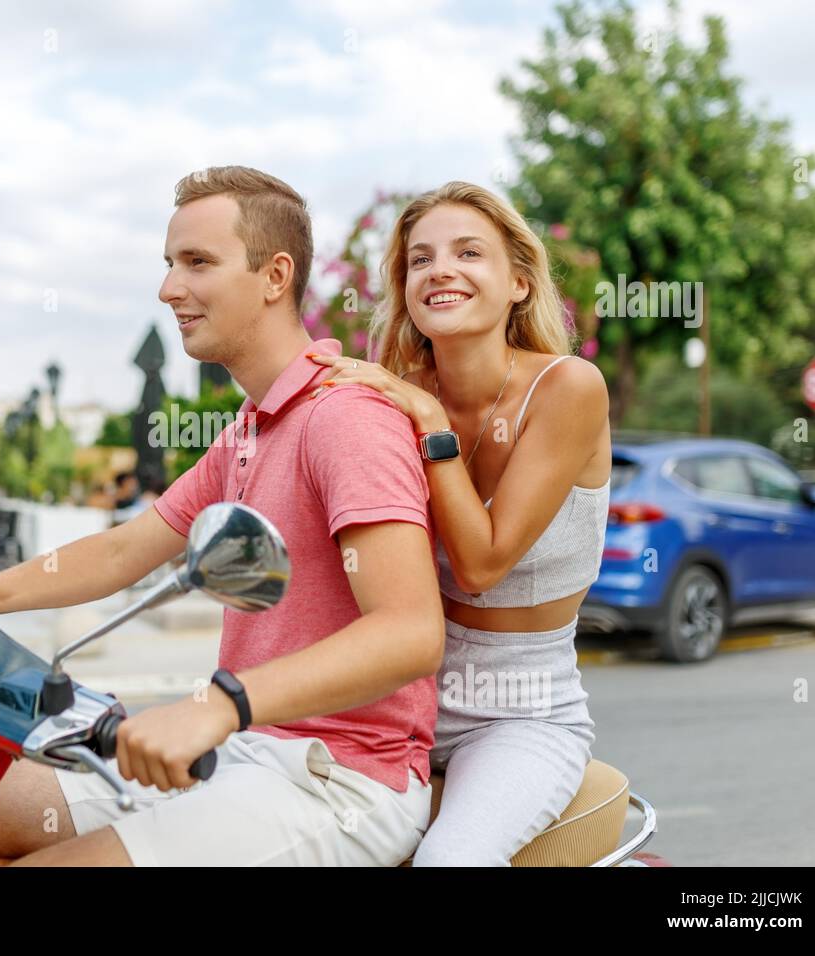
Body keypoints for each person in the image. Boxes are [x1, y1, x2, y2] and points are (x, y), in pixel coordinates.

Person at [0, 165, 445, 867]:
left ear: (275, 276)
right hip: (244, 747)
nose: (168, 288)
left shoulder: (345, 419)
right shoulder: (249, 427)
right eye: (169, 264)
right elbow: (125, 552)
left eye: (197, 263)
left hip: (338, 779)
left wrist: (217, 706)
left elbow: (411, 632)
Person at [306, 181, 610, 865]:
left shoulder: (567, 388)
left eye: (468, 252)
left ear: (521, 285)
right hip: (398, 696)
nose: (440, 269)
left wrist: (432, 423)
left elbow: (481, 566)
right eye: (420, 259)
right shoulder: (394, 393)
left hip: (519, 713)